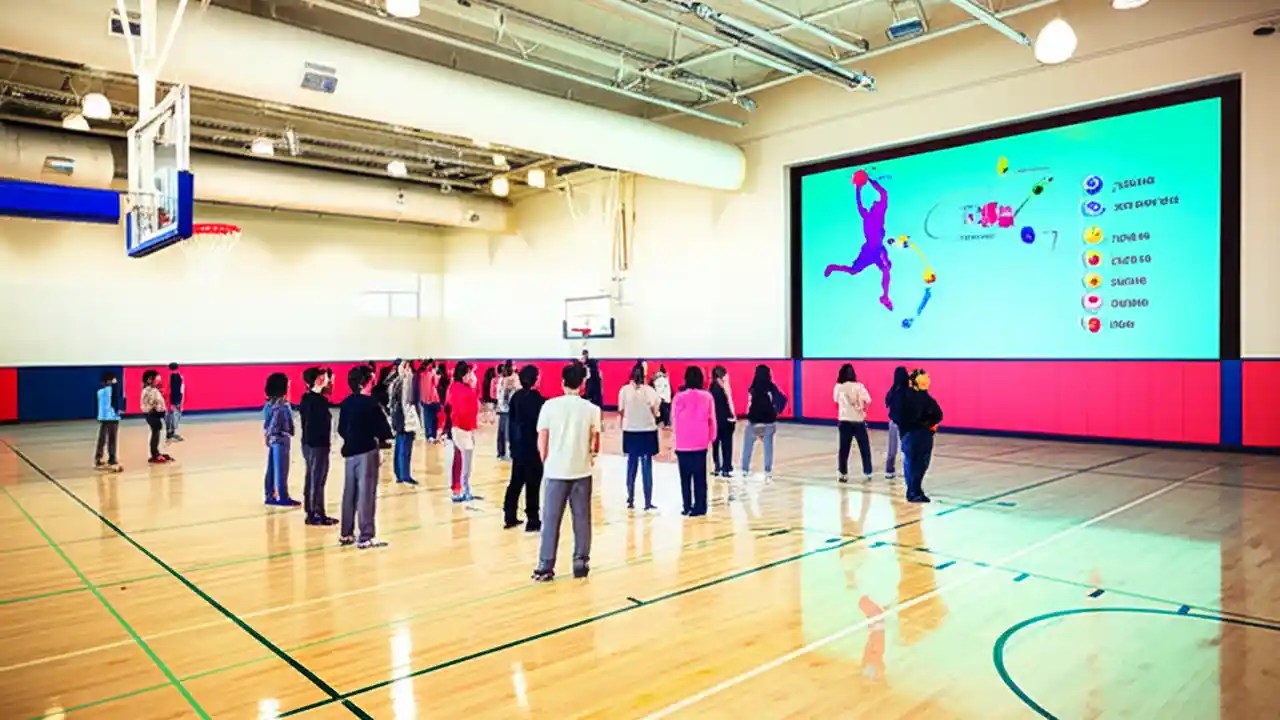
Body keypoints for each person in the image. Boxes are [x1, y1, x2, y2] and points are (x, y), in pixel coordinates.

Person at [532, 363, 601, 582]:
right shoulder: (592, 410)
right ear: (583, 384)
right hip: (581, 471)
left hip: (555, 470)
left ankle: (545, 565)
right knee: (582, 520)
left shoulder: (549, 406)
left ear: (562, 383)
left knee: (550, 520)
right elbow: (595, 442)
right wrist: (589, 459)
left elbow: (542, 439)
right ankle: (581, 563)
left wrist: (547, 461)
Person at [337, 365, 393, 548]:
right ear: (365, 382)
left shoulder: (345, 403)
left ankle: (346, 533)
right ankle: (366, 535)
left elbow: (341, 429)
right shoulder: (371, 404)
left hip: (350, 452)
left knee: (349, 492)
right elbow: (384, 430)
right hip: (367, 452)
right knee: (366, 493)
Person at [824, 170, 894, 311]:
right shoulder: (867, 216)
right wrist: (858, 188)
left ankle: (885, 296)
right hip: (870, 249)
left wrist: (869, 181)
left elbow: (884, 194)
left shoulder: (878, 213)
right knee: (854, 271)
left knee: (886, 269)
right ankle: (833, 267)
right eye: (873, 204)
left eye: (875, 204)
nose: (874, 204)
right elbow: (860, 205)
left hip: (877, 248)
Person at [888, 368, 943, 503]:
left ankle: (913, 491)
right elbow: (938, 415)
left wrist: (904, 425)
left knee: (911, 463)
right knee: (920, 464)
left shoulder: (901, 395)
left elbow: (893, 414)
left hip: (908, 434)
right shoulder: (925, 398)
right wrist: (928, 426)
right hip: (922, 434)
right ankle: (915, 491)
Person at [503, 364, 545, 531]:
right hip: (532, 448)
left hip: (518, 447)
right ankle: (532, 520)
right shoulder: (539, 401)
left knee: (516, 482)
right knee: (532, 485)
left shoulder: (516, 397)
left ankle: (509, 515)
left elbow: (511, 422)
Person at [672, 366, 716, 517]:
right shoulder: (707, 397)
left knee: (685, 478)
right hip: (700, 442)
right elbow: (712, 420)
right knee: (700, 477)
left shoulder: (679, 397)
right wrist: (711, 438)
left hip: (683, 443)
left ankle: (686, 505)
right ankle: (700, 506)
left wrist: (676, 438)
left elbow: (674, 419)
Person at [618, 363, 660, 511]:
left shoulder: (624, 391)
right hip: (647, 431)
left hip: (630, 431)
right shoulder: (650, 391)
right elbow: (656, 411)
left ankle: (630, 499)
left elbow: (621, 411)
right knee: (647, 466)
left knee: (631, 464)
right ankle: (648, 502)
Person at [299, 367, 337, 525]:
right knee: (318, 479)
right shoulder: (318, 401)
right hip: (318, 444)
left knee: (311, 477)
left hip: (308, 443)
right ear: (318, 380)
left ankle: (311, 510)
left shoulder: (306, 399)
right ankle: (317, 513)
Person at [741, 364, 785, 481]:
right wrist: (776, 412)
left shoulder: (753, 388)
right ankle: (767, 471)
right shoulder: (771, 387)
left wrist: (749, 416)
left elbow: (749, 405)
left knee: (747, 447)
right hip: (768, 422)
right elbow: (782, 399)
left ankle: (745, 470)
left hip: (754, 422)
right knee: (768, 447)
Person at [446, 361, 481, 502]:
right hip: (460, 428)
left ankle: (464, 488)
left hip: (466, 428)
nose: (471, 376)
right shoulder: (456, 388)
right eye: (468, 373)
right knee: (461, 461)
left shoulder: (466, 388)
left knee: (465, 461)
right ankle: (458, 490)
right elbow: (459, 411)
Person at [263, 372, 298, 506]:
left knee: (271, 467)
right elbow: (274, 424)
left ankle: (269, 494)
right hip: (281, 438)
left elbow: (267, 424)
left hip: (273, 439)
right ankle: (283, 496)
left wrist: (267, 435)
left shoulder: (268, 404)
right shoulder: (282, 405)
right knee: (282, 469)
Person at [834, 363, 874, 483]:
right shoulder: (859, 386)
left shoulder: (838, 387)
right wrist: (862, 408)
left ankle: (843, 473)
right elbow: (868, 400)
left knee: (843, 449)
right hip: (858, 421)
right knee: (864, 448)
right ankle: (867, 472)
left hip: (844, 420)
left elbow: (835, 399)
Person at [388, 359, 421, 485]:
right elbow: (406, 401)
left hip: (397, 417)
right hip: (404, 417)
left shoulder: (394, 382)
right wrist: (411, 419)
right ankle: (404, 475)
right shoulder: (405, 382)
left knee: (399, 445)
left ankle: (399, 474)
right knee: (405, 447)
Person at [709, 366, 736, 478]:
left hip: (715, 420)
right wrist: (733, 415)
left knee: (716, 445)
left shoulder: (711, 388)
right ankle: (726, 467)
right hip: (726, 419)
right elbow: (729, 402)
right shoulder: (725, 387)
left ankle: (717, 467)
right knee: (727, 444)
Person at [140, 370, 172, 464]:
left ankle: (156, 452)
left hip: (156, 414)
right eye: (157, 377)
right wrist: (158, 409)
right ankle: (154, 454)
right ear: (150, 379)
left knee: (157, 432)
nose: (159, 379)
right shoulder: (149, 390)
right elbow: (152, 403)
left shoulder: (153, 389)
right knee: (155, 432)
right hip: (152, 414)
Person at [94, 370, 123, 472]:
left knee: (102, 438)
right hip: (112, 417)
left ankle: (98, 458)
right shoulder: (110, 391)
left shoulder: (100, 392)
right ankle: (112, 458)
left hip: (103, 417)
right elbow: (115, 395)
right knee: (112, 439)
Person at [884, 366, 909, 480]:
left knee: (892, 449)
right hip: (906, 423)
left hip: (894, 422)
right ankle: (907, 470)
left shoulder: (893, 390)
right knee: (907, 449)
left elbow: (887, 402)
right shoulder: (908, 391)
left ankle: (889, 470)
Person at [495, 363, 517, 460]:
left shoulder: (502, 380)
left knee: (503, 432)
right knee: (508, 432)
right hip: (507, 409)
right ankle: (507, 452)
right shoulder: (510, 379)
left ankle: (501, 452)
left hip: (504, 408)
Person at [419, 360, 440, 442]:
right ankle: (431, 435)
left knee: (429, 418)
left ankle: (430, 435)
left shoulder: (421, 374)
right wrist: (435, 372)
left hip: (426, 399)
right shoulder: (431, 373)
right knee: (431, 418)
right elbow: (436, 383)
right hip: (431, 399)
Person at [165, 362, 185, 442]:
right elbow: (176, 390)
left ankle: (170, 433)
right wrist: (176, 403)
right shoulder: (177, 377)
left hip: (171, 400)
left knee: (170, 417)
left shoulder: (172, 377)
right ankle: (171, 433)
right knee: (174, 416)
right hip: (174, 401)